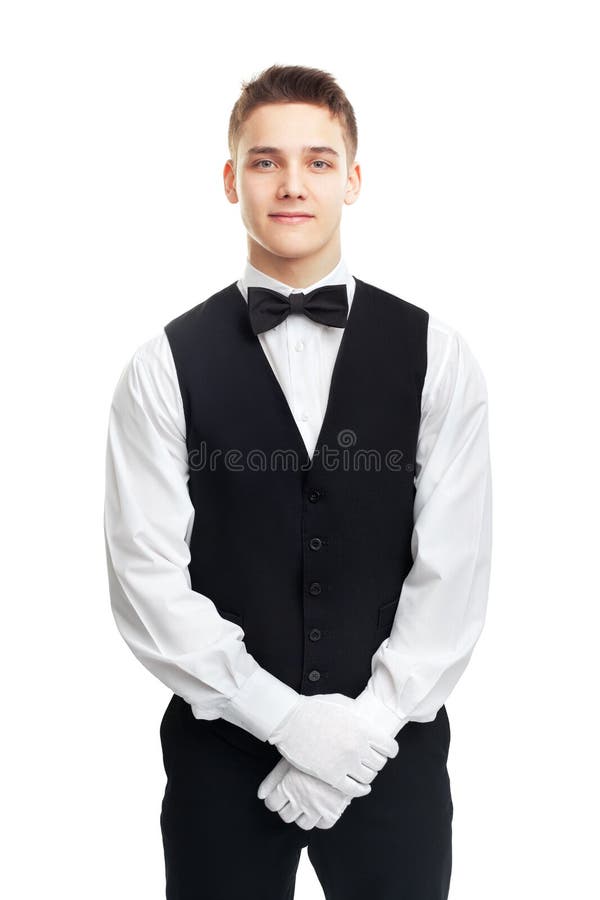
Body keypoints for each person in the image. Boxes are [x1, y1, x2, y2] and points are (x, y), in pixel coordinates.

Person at [103, 63, 492, 900]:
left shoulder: (440, 356)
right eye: (264, 160)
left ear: (352, 179)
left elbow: (454, 571)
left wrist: (364, 730)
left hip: (393, 757)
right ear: (230, 178)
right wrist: (285, 722)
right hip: (222, 758)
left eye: (318, 161)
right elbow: (146, 582)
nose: (291, 183)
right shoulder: (160, 367)